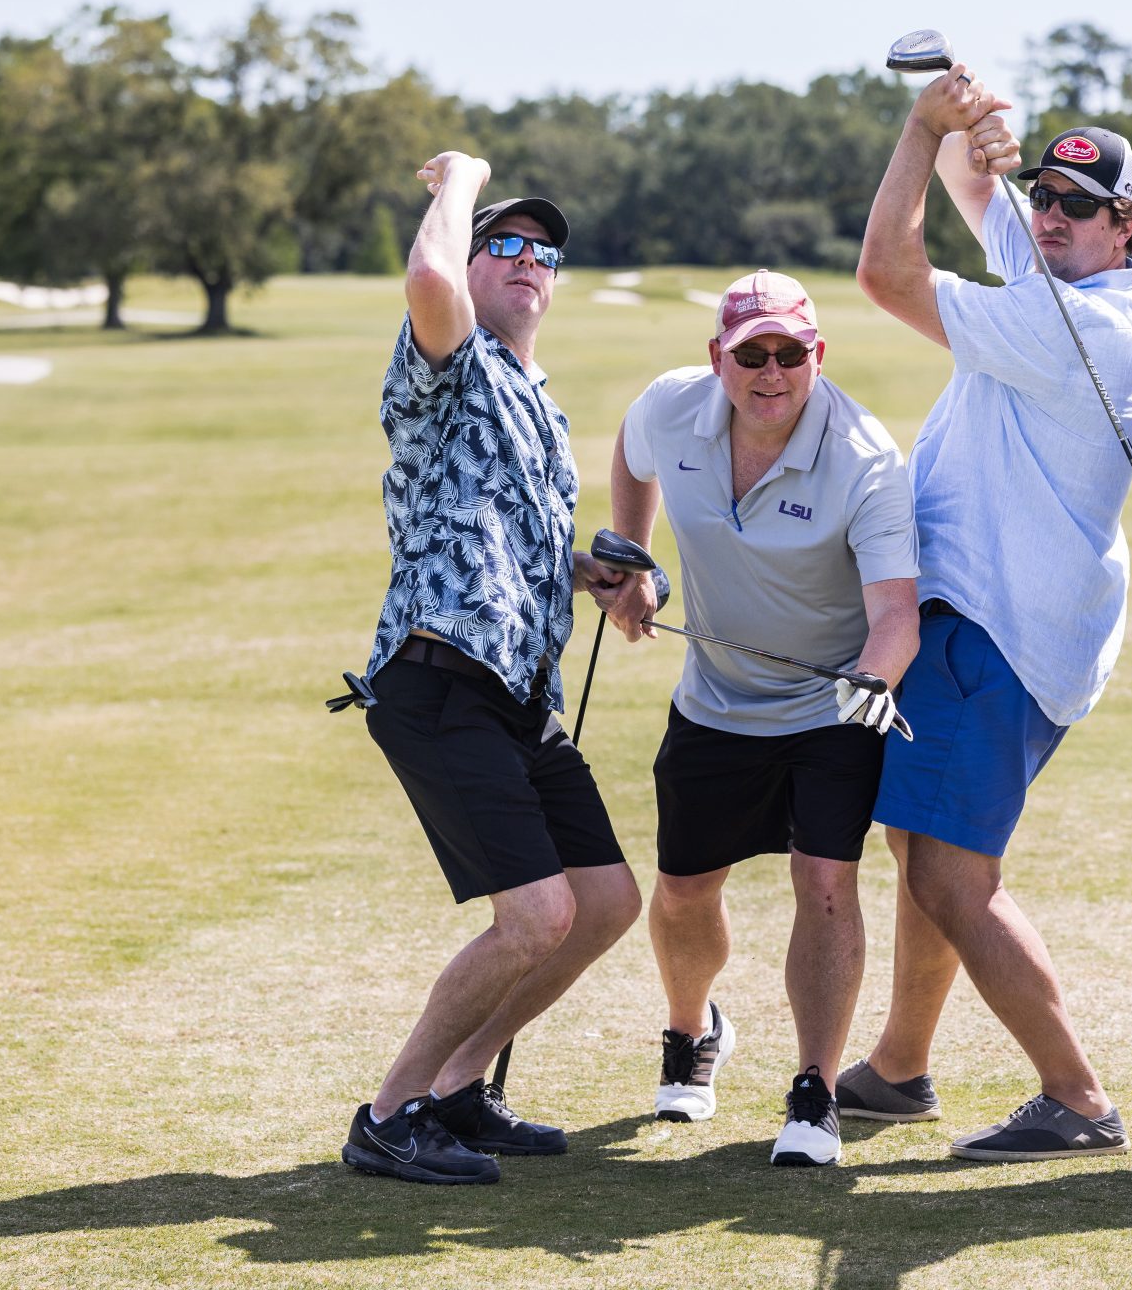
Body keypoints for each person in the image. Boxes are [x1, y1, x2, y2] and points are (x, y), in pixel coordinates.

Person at [848, 67, 1132, 1160]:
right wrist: (970, 121)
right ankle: (899, 1067)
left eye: (1082, 206)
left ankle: (1077, 1097)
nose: (1053, 216)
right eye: (1047, 197)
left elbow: (886, 273)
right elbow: (977, 191)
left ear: (1128, 227)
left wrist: (919, 127)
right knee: (924, 844)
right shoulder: (1054, 272)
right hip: (991, 621)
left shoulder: (1075, 322)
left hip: (996, 631)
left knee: (949, 872)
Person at [338, 150, 642, 1186]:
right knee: (537, 915)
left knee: (604, 903)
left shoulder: (534, 396)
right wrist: (458, 180)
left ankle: (460, 1087)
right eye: (502, 245)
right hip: (438, 681)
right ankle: (390, 1114)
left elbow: (509, 533)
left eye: (542, 253)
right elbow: (428, 278)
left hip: (518, 697)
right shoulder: (446, 361)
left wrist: (589, 572)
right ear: (469, 265)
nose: (526, 261)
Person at [594, 268, 920, 1168]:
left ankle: (815, 1091)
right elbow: (630, 451)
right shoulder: (674, 407)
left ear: (818, 355)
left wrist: (872, 679)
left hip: (833, 702)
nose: (771, 372)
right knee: (683, 890)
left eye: (789, 353)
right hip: (715, 700)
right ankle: (692, 1030)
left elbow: (896, 613)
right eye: (751, 355)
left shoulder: (866, 458)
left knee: (826, 884)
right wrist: (633, 559)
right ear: (718, 358)